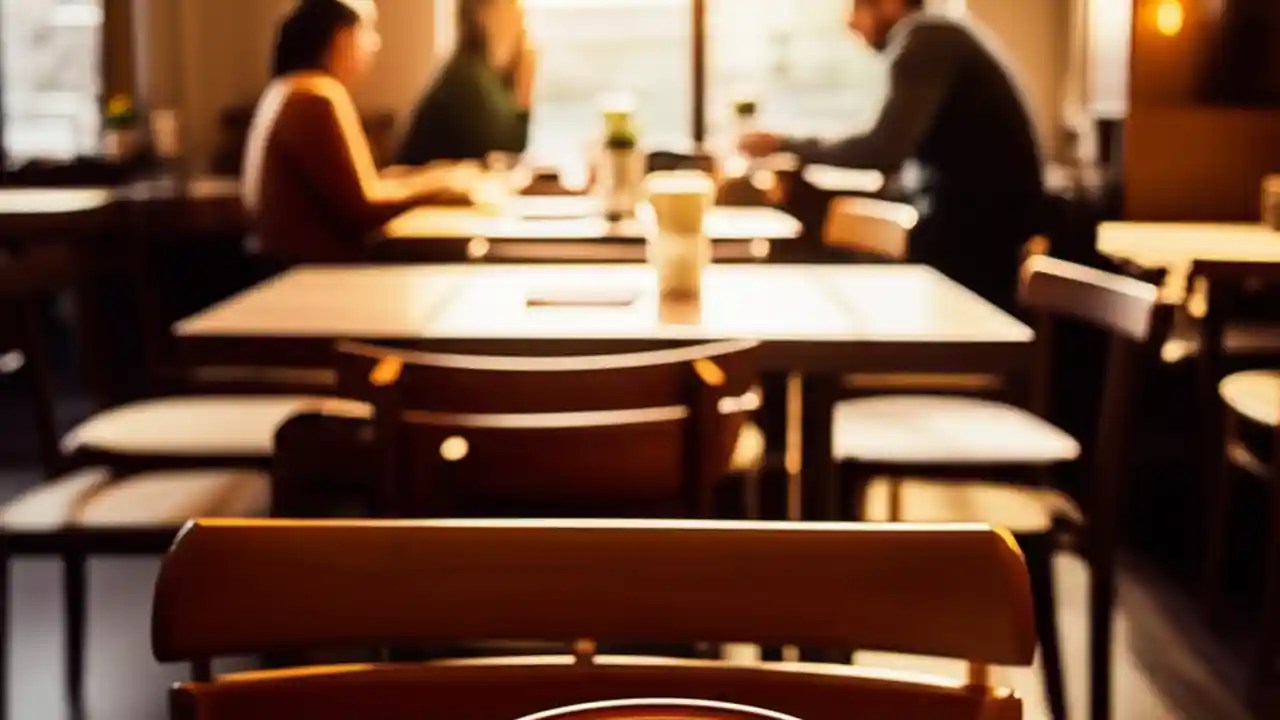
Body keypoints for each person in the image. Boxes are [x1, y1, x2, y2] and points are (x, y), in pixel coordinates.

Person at [740, 0, 1043, 310]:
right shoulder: (936, 35)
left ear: (889, 4)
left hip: (976, 230)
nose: (850, 24)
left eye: (856, 7)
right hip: (977, 220)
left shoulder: (926, 38)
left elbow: (883, 149)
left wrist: (783, 144)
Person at [243, 0, 477, 264]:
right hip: (313, 273)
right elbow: (363, 206)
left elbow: (358, 185)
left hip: (294, 266)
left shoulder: (289, 87)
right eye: (369, 31)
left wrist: (435, 174)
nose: (375, 43)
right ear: (343, 37)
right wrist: (440, 187)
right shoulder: (316, 96)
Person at [398, 0, 535, 166]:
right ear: (482, 16)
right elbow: (505, 150)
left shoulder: (483, 75)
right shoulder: (469, 79)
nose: (520, 26)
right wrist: (525, 86)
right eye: (511, 13)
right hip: (427, 189)